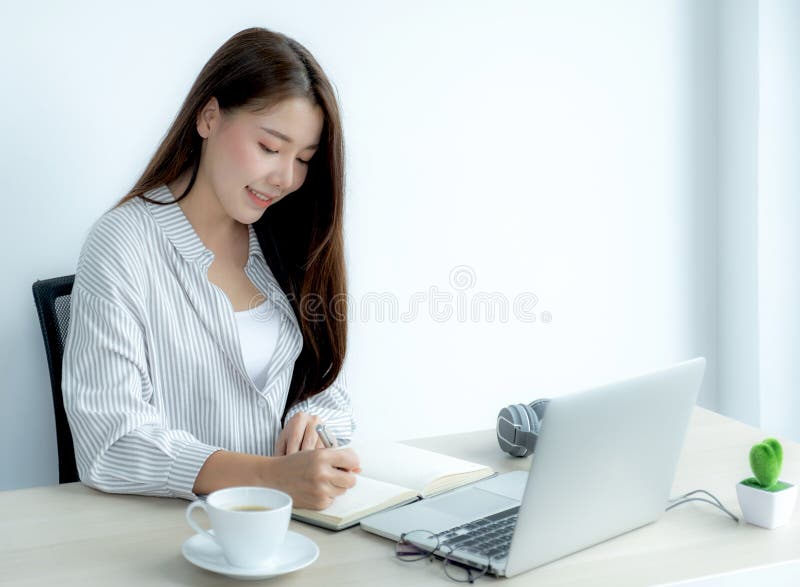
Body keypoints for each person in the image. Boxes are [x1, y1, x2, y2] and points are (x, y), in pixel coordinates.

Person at [62, 27, 361, 510]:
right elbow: (110, 443)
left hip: (284, 531)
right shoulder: (122, 245)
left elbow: (328, 388)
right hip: (167, 538)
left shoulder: (290, 241)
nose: (286, 178)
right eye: (269, 147)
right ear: (208, 117)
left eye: (303, 159)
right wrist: (270, 476)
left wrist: (313, 428)